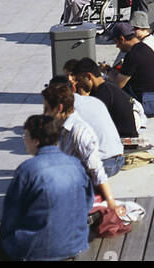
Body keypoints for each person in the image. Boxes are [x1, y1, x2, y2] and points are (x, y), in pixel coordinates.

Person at [0, 114, 92, 261]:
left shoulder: (27, 170)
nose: (23, 139)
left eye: (26, 135)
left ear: (36, 141)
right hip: (75, 243)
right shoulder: (75, 164)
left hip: (38, 249)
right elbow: (87, 202)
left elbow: (11, 215)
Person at [40, 81, 124, 216]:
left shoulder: (79, 131)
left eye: (47, 109)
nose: (44, 114)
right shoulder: (61, 126)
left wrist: (111, 203)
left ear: (59, 108)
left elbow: (97, 170)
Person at [105, 22, 154, 111]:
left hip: (140, 101)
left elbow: (118, 84)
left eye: (117, 42)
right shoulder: (145, 48)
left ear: (122, 39)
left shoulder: (133, 55)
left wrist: (107, 70)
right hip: (150, 96)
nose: (117, 46)